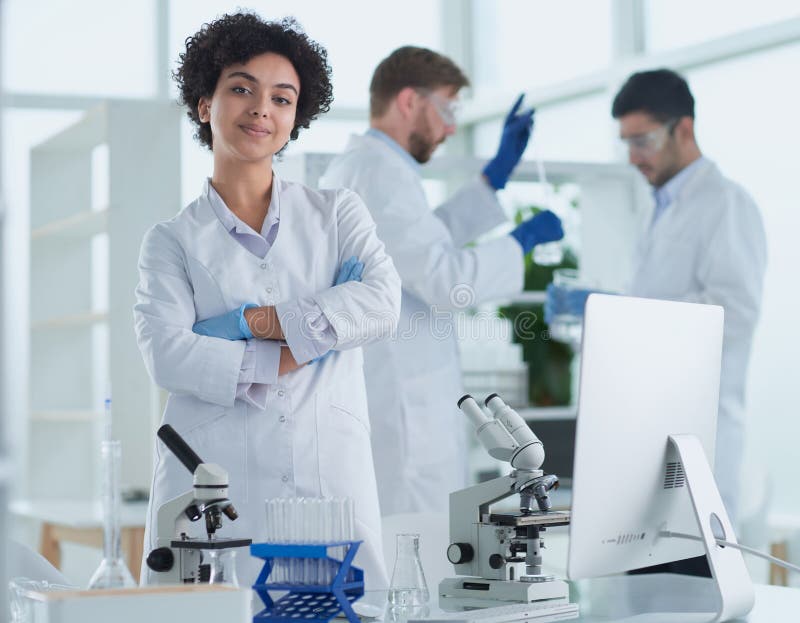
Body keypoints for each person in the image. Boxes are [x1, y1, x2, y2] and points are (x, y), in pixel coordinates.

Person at [133, 13, 400, 589]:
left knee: (340, 603)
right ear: (205, 105)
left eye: (283, 98)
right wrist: (325, 323)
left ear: (295, 117)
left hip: (327, 472)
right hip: (215, 478)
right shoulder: (171, 241)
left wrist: (249, 324)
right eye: (241, 89)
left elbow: (381, 303)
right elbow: (169, 356)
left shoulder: (337, 213)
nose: (262, 109)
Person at [319, 46, 564, 516]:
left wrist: (493, 180)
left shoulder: (373, 168)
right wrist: (521, 240)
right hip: (403, 412)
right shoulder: (378, 175)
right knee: (415, 557)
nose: (451, 127)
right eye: (448, 109)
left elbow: (422, 245)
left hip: (406, 398)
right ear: (410, 101)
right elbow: (446, 280)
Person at [548, 68, 767, 575]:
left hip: (698, 440)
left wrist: (620, 310)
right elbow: (660, 304)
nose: (633, 156)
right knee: (644, 588)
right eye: (626, 142)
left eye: (642, 140)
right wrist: (606, 312)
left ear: (683, 129)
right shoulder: (659, 208)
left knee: (691, 582)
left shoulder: (726, 205)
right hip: (646, 435)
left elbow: (729, 319)